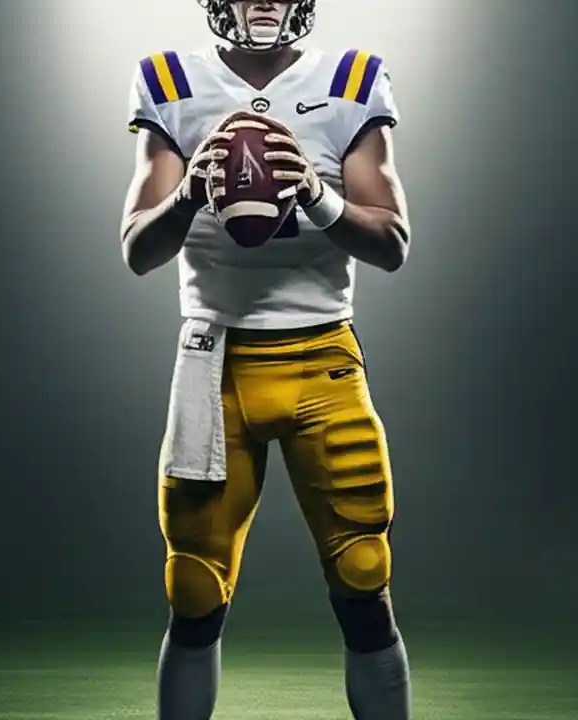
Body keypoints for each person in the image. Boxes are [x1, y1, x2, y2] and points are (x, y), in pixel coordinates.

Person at [119, 2, 412, 717]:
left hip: (322, 356)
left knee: (363, 577)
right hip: (212, 358)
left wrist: (317, 195)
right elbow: (137, 251)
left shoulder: (352, 80)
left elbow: (393, 243)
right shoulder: (169, 80)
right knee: (193, 589)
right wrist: (188, 193)